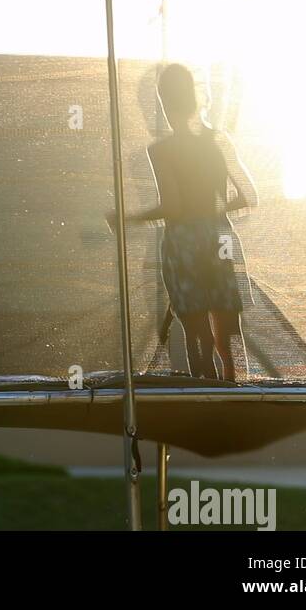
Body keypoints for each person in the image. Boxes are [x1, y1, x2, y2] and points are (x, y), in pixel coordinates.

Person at [108, 63, 257, 381]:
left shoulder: (162, 151)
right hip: (219, 239)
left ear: (163, 102)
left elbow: (173, 207)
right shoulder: (218, 141)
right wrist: (213, 210)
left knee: (199, 337)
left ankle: (208, 400)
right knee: (228, 336)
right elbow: (248, 195)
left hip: (185, 246)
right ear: (195, 96)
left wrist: (129, 220)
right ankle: (239, 399)